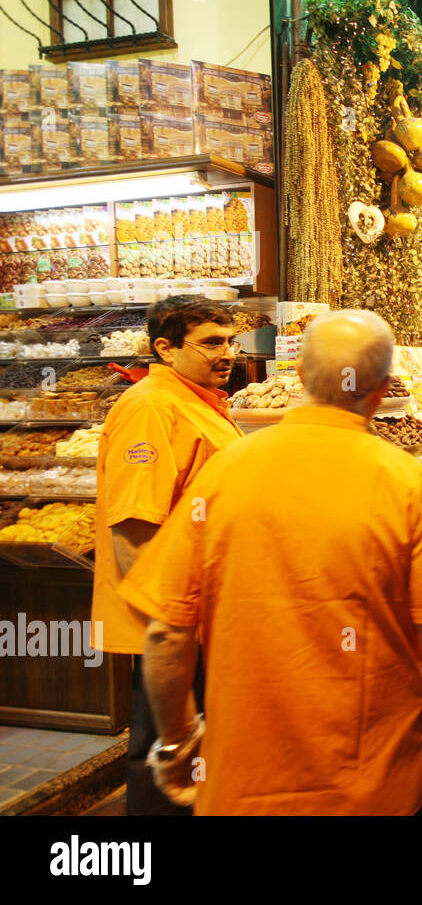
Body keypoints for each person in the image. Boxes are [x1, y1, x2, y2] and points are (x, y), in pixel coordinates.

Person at [120, 310, 422, 815]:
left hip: (244, 781)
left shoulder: (225, 470)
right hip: (368, 782)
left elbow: (166, 633)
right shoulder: (406, 481)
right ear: (380, 391)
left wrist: (178, 742)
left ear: (300, 378)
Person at [89, 295, 243, 815]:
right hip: (175, 626)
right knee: (167, 754)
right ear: (165, 347)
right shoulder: (152, 408)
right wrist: (170, 627)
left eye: (231, 341)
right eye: (211, 343)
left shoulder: (196, 399)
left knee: (195, 753)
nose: (227, 354)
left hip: (201, 620)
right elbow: (134, 531)